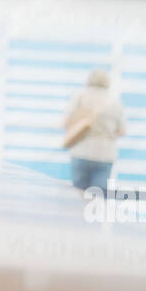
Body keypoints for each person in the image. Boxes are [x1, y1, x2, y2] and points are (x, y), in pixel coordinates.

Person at [63, 67, 126, 195]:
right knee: (98, 198)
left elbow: (66, 123)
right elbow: (122, 131)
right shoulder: (114, 101)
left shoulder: (80, 96)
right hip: (105, 154)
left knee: (78, 196)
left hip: (81, 151)